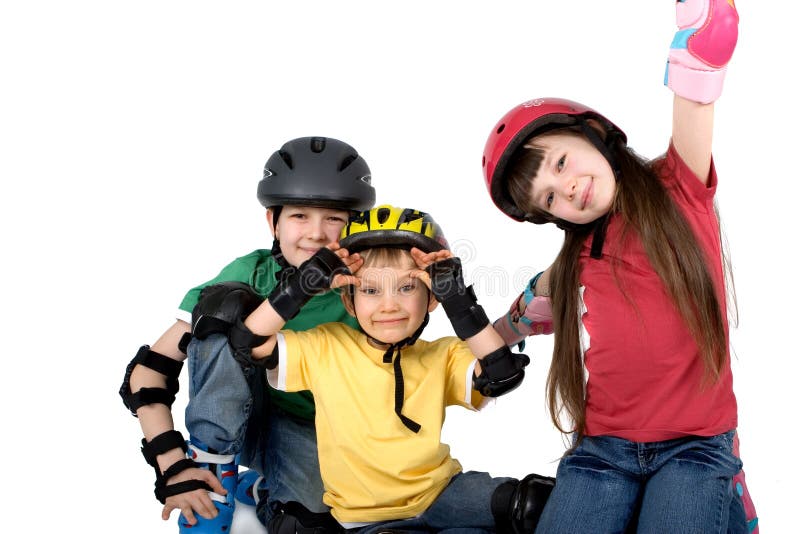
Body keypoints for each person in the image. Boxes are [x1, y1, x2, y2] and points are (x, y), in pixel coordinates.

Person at [480, 1, 758, 532]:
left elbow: (698, 92)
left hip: (694, 446)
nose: (566, 187)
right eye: (549, 198)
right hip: (604, 450)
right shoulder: (573, 264)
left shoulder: (677, 189)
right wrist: (487, 339)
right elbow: (529, 312)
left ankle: (732, 496)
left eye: (561, 163)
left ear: (592, 135)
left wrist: (702, 33)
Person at [204, 204, 556, 533]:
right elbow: (247, 341)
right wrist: (301, 287)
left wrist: (459, 301)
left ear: (431, 296)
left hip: (442, 493)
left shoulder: (443, 354)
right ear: (349, 300)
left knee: (533, 503)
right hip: (365, 514)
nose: (389, 305)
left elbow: (501, 373)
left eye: (406, 287)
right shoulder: (325, 346)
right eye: (370, 290)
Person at [119, 136, 376, 532]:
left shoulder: (370, 288)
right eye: (300, 216)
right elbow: (146, 376)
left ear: (353, 225)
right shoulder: (250, 273)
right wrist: (172, 465)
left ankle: (260, 490)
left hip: (319, 430)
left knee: (306, 524)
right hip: (241, 415)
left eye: (334, 218)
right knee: (225, 305)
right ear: (273, 221)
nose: (317, 233)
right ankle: (213, 470)